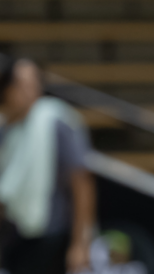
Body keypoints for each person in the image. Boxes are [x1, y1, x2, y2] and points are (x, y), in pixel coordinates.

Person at [0, 56, 96, 274]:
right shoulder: (6, 130)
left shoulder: (55, 121)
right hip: (14, 233)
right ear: (7, 89)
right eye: (21, 84)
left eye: (34, 83)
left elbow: (82, 182)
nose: (29, 91)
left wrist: (81, 243)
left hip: (52, 232)